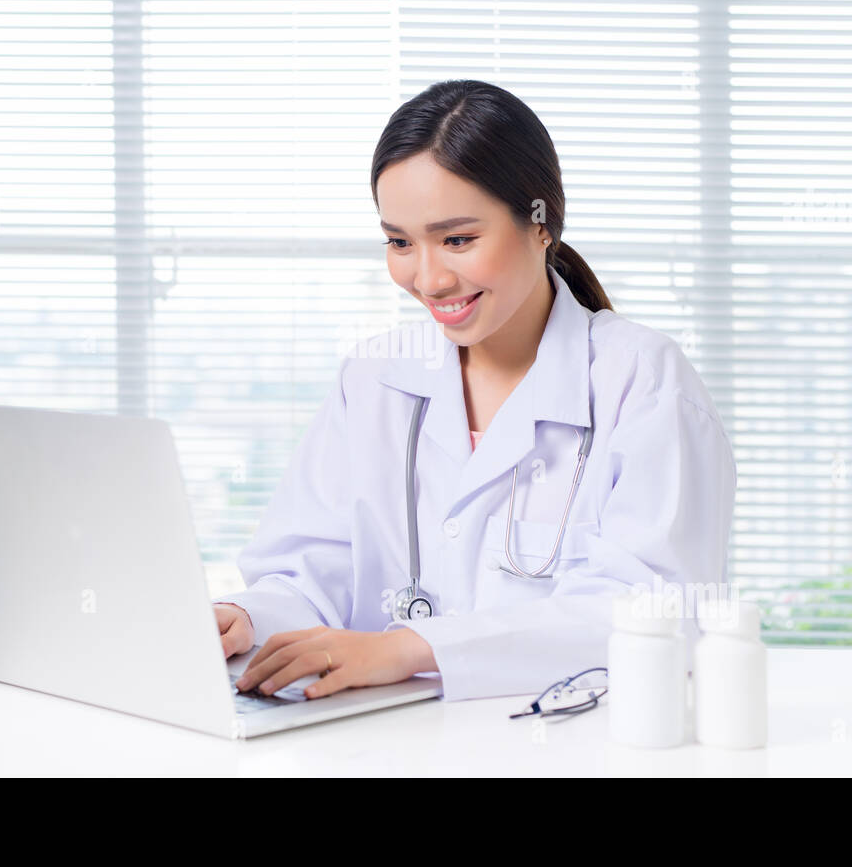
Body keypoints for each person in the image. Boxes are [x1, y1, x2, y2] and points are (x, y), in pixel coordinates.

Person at [212, 79, 737, 702]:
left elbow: (654, 612)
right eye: (400, 242)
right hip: (381, 747)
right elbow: (307, 570)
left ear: (541, 224)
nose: (428, 278)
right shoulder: (373, 379)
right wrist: (249, 618)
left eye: (458, 239)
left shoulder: (642, 380)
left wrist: (416, 648)